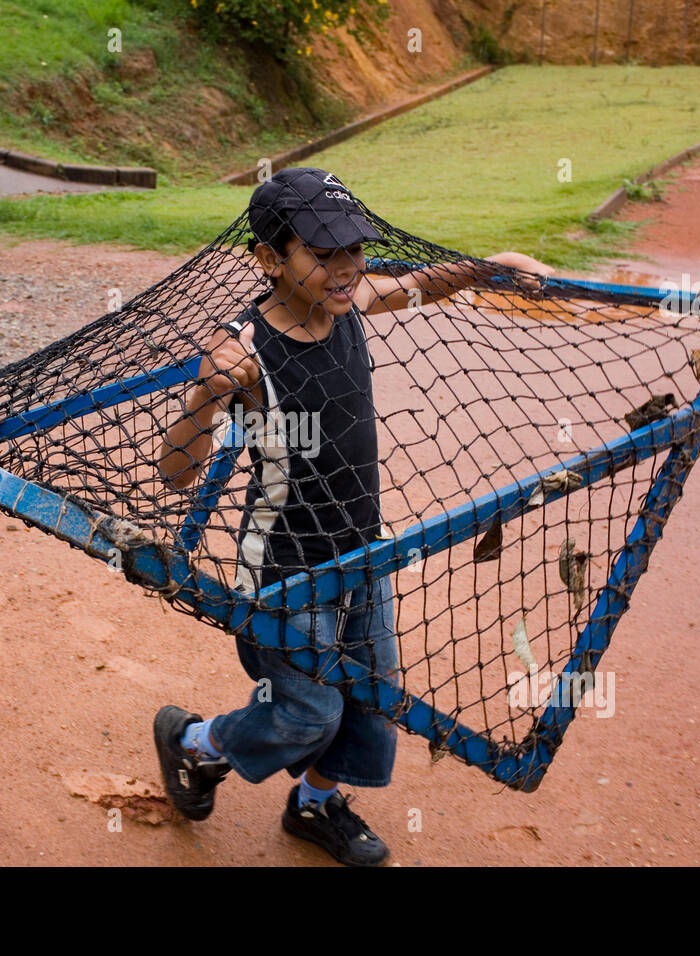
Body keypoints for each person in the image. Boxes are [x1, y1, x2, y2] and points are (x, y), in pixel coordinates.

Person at [153, 167, 551, 866]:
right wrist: (203, 401)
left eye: (353, 250)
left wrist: (494, 268)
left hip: (362, 552)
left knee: (371, 698)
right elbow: (175, 472)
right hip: (282, 567)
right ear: (271, 260)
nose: (345, 270)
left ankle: (315, 804)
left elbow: (419, 285)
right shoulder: (244, 352)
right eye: (323, 254)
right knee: (309, 711)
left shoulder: (347, 302)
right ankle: (193, 742)